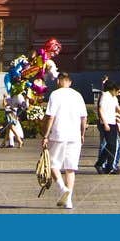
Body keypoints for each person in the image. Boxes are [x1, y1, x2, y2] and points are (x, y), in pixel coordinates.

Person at [41, 71, 88, 210]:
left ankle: (62, 189)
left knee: (52, 165)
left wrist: (45, 135)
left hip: (58, 134)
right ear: (70, 82)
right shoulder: (77, 95)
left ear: (58, 81)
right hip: (74, 135)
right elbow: (84, 117)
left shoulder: (55, 95)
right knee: (70, 168)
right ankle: (69, 201)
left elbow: (50, 117)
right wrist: (82, 133)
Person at [96, 80, 120, 174]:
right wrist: (105, 123)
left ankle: (109, 167)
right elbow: (100, 109)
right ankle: (100, 164)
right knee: (110, 145)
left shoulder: (114, 98)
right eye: (117, 91)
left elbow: (118, 109)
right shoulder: (105, 95)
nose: (118, 93)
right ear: (113, 89)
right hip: (106, 123)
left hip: (113, 122)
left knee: (113, 146)